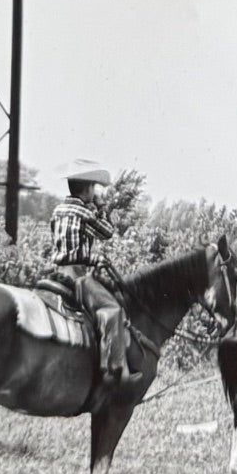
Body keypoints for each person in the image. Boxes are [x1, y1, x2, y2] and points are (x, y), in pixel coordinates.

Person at [49, 160, 145, 396]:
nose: (95, 192)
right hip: (77, 275)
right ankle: (114, 373)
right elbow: (108, 233)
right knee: (113, 311)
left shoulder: (58, 210)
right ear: (87, 189)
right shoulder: (84, 211)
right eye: (93, 187)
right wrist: (101, 209)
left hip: (55, 271)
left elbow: (64, 246)